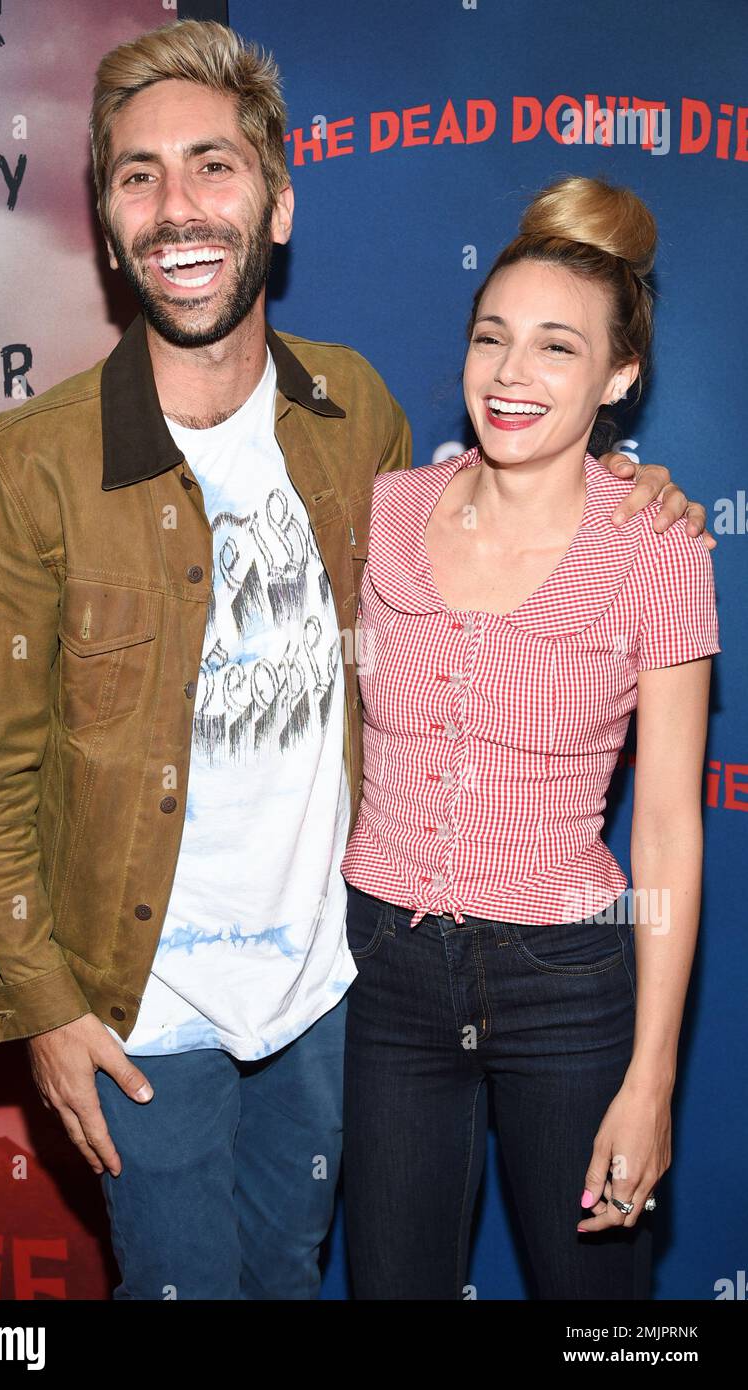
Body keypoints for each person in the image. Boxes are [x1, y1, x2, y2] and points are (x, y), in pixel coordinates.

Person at [0, 18, 708, 1302]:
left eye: (213, 166)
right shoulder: (25, 468)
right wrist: (45, 1009)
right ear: (107, 216)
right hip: (146, 1012)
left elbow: (516, 496)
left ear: (278, 205)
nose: (177, 204)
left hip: (328, 995)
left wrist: (634, 490)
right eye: (138, 174)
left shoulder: (356, 424)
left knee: (297, 1280)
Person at [340, 174, 721, 1301]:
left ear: (617, 376)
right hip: (385, 973)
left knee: (597, 1311)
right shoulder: (386, 510)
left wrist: (650, 1077)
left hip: (568, 979)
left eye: (557, 347)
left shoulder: (658, 547)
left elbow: (661, 827)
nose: (510, 373)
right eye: (491, 337)